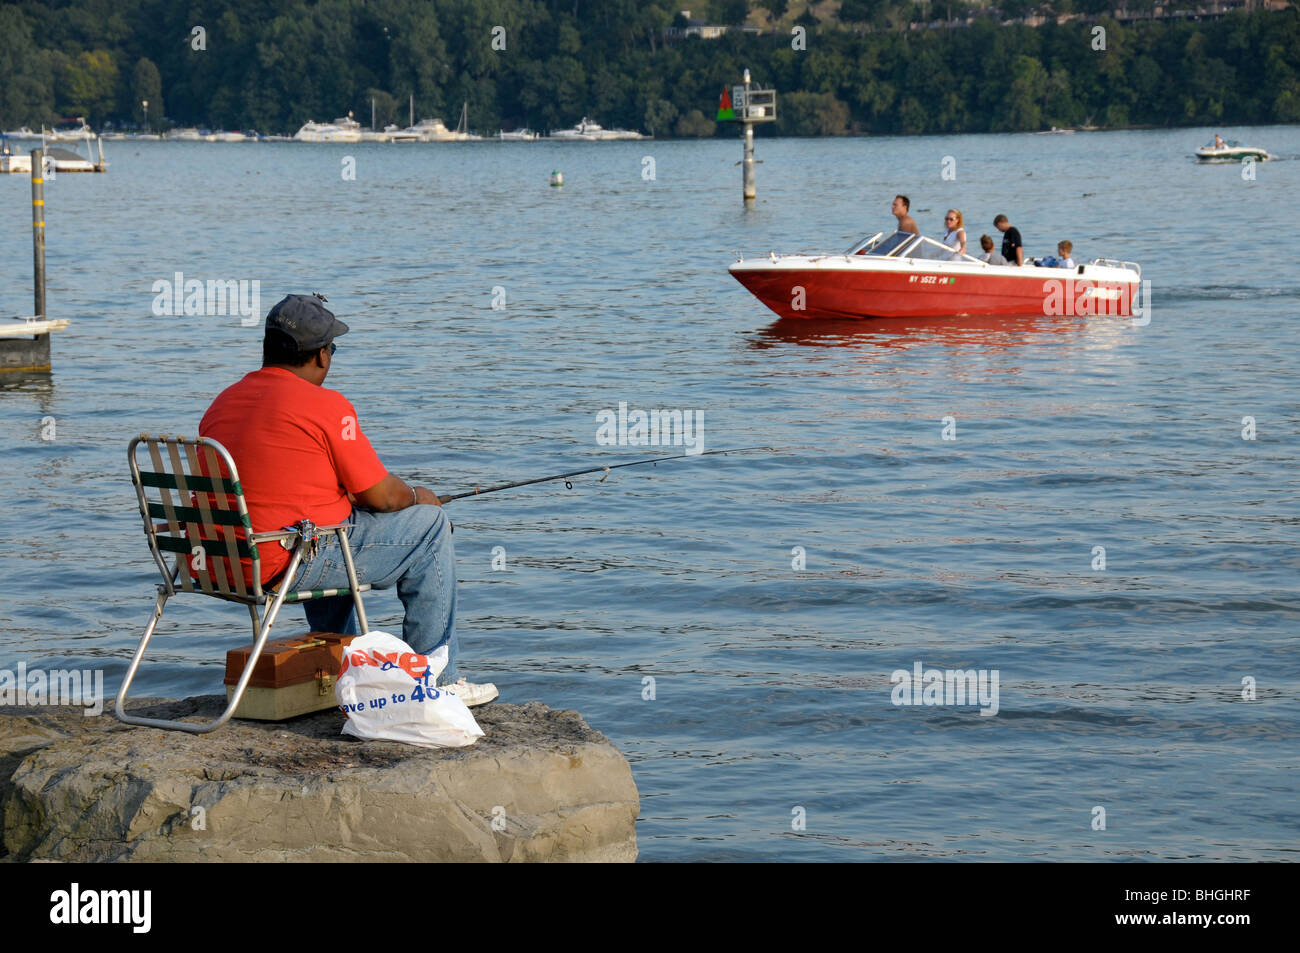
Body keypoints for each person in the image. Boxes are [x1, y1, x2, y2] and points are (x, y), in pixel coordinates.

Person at [199, 294, 497, 706]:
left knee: (332, 526)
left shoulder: (223, 403)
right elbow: (383, 497)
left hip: (219, 562)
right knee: (429, 527)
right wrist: (419, 497)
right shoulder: (324, 406)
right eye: (332, 350)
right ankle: (439, 681)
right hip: (280, 562)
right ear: (321, 356)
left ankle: (347, 672)